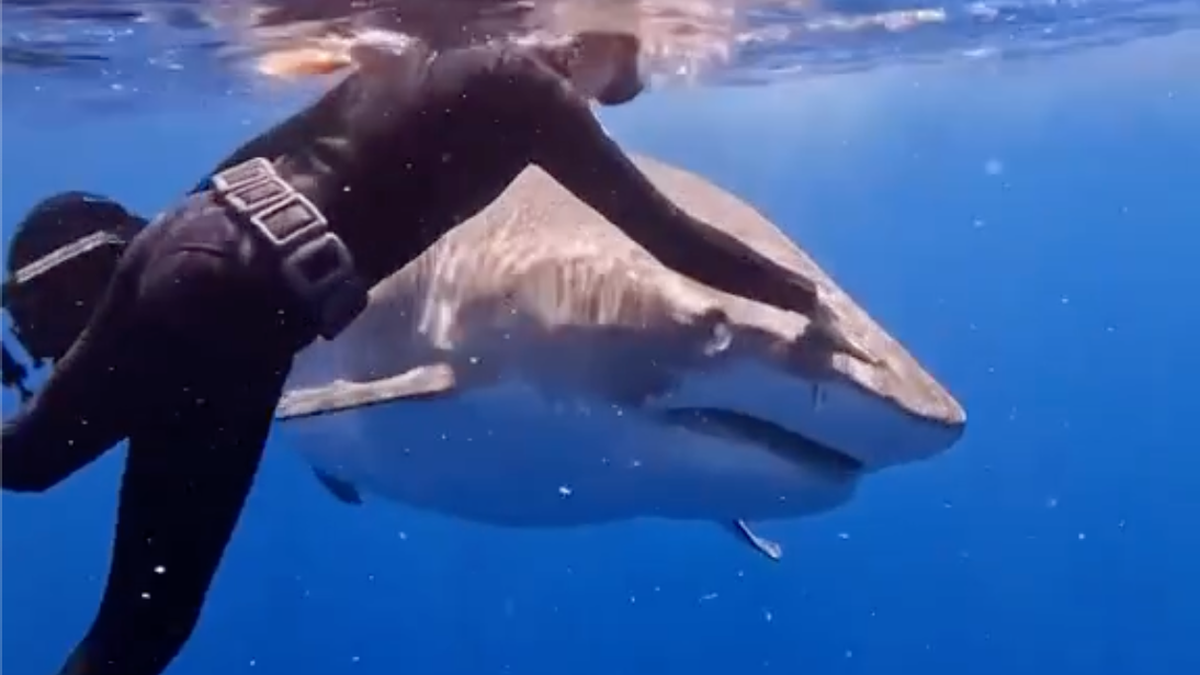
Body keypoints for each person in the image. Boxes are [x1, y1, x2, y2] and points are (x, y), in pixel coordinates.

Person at [1, 30, 825, 675]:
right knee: (125, 602)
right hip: (238, 295)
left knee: (77, 525)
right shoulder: (533, 95)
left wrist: (173, 257)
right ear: (592, 49)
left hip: (213, 265)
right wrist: (800, 299)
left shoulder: (421, 55)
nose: (608, 102)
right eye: (616, 82)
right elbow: (671, 237)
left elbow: (262, 155)